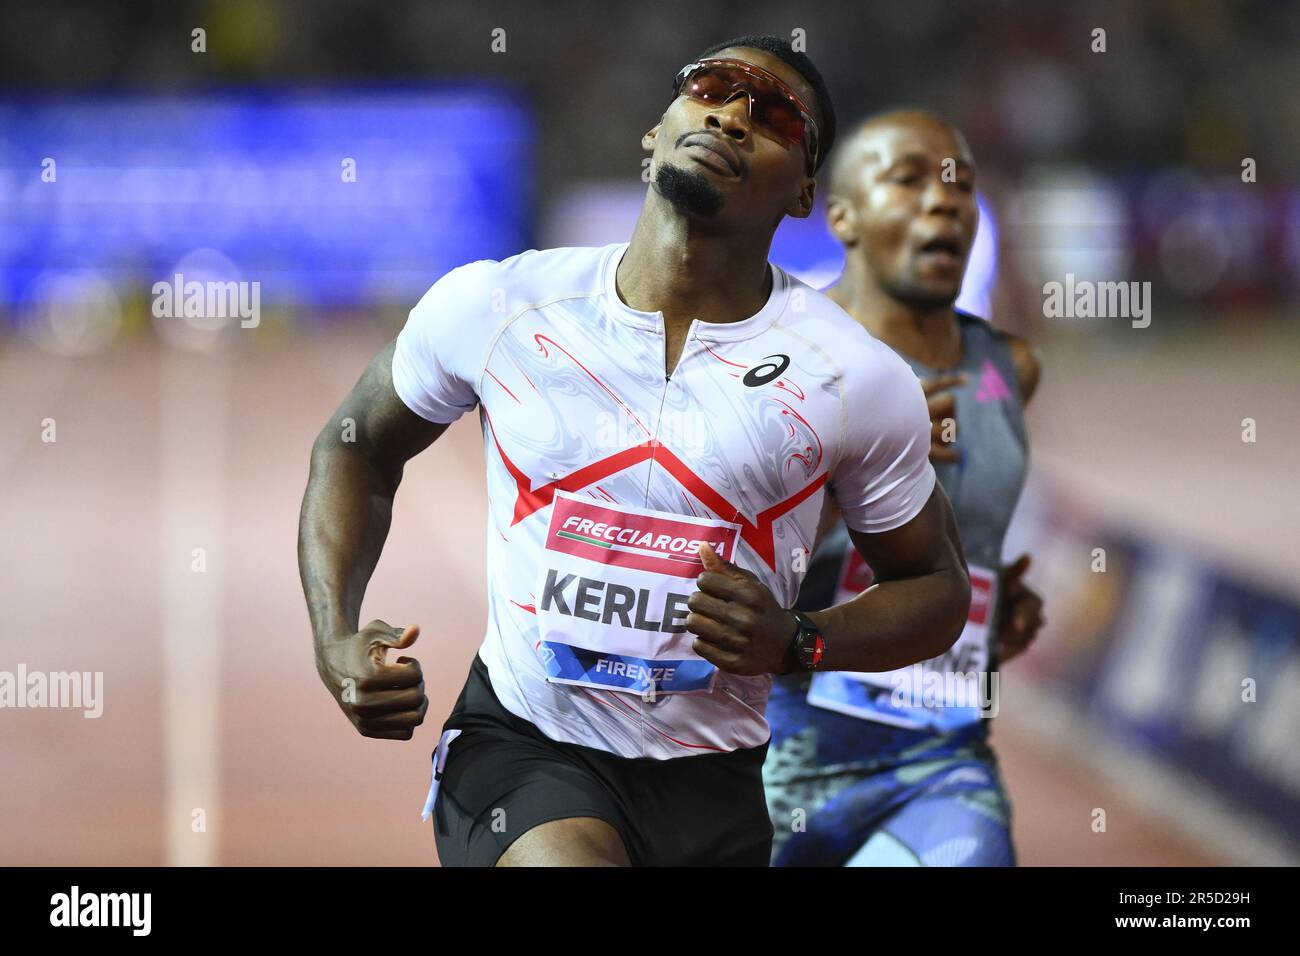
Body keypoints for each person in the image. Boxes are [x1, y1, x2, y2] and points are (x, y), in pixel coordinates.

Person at [298, 37, 971, 867]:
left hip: (718, 783)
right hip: (525, 748)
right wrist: (335, 637)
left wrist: (801, 641)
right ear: (655, 131)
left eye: (774, 116)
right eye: (712, 88)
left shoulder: (854, 377)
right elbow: (356, 448)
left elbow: (934, 587)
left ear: (804, 190)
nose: (730, 114)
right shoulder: (499, 305)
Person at [764, 109, 1045, 867]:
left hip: (938, 764)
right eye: (910, 180)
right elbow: (704, 561)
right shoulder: (778, 351)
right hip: (763, 762)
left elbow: (966, 555)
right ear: (844, 215)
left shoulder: (1007, 368)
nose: (944, 201)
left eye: (960, 185)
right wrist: (859, 446)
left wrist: (991, 604)